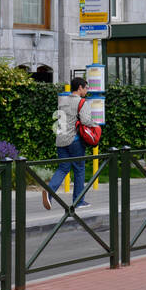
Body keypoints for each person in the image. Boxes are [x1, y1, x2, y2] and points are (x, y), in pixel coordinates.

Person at [46, 78, 95, 210]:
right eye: (86, 87)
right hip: (75, 141)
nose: (87, 90)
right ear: (80, 87)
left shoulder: (62, 101)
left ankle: (49, 192)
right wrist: (94, 125)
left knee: (63, 168)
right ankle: (78, 201)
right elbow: (85, 121)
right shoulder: (81, 102)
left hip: (60, 140)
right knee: (79, 170)